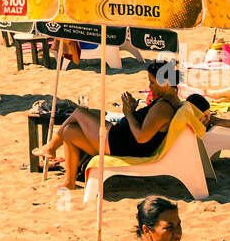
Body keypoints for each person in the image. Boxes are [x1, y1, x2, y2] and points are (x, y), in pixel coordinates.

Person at [32, 61, 183, 192]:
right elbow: (147, 128)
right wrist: (134, 111)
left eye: (152, 82)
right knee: (69, 131)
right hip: (120, 140)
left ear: (167, 83)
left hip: (120, 143)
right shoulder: (169, 101)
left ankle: (51, 148)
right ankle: (69, 182)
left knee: (79, 112)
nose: (150, 87)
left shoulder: (163, 107)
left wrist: (128, 113)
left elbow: (141, 137)